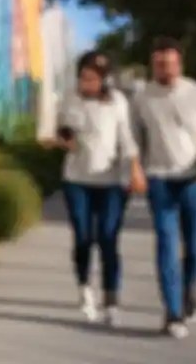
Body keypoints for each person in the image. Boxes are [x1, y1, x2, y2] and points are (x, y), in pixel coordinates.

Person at [131, 37, 196, 339]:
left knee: (193, 246)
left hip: (195, 180)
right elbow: (133, 138)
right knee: (165, 242)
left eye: (171, 63)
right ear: (152, 64)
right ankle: (172, 313)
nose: (166, 69)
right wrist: (135, 169)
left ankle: (188, 291)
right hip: (160, 179)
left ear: (180, 64)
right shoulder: (142, 97)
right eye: (160, 64)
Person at [43, 50, 144, 327]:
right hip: (77, 180)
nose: (86, 83)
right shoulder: (70, 100)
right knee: (83, 236)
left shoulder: (117, 103)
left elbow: (127, 138)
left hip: (112, 182)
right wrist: (62, 140)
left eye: (92, 78)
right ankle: (85, 287)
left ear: (104, 80)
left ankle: (111, 299)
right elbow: (62, 130)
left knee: (109, 239)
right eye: (83, 77)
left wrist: (135, 168)